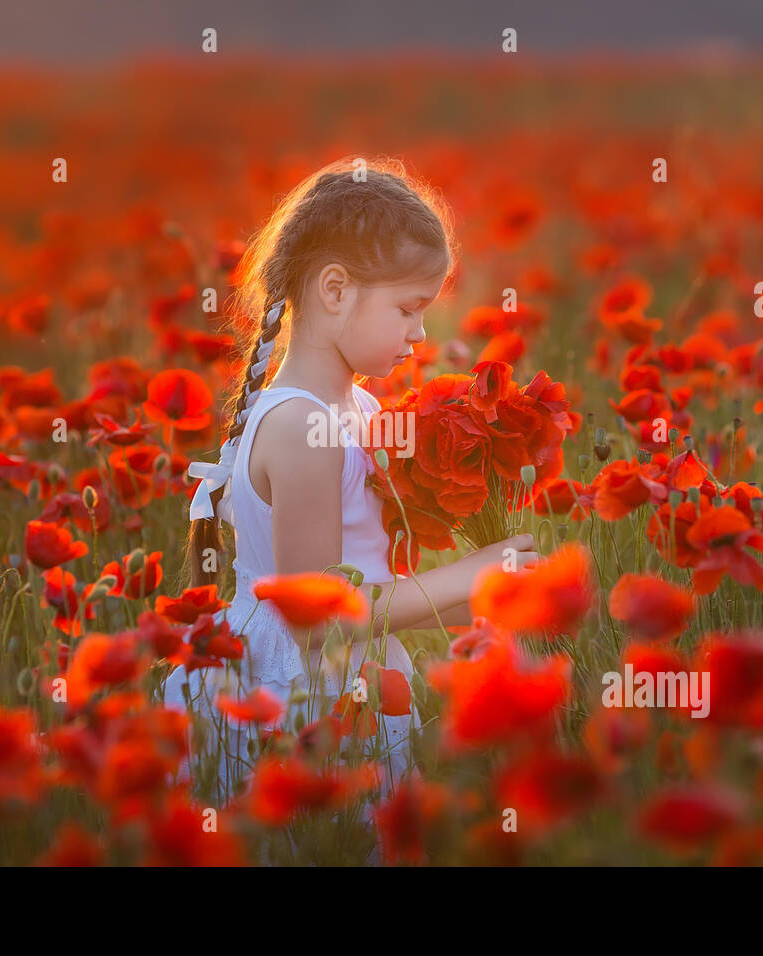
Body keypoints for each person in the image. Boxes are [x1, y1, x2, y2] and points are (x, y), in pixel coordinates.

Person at [167, 157, 538, 810]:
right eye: (408, 309)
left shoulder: (357, 411)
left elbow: (372, 581)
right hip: (305, 702)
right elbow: (320, 622)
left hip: (356, 678)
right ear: (334, 290)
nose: (421, 334)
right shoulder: (299, 429)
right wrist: (468, 573)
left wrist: (495, 596)